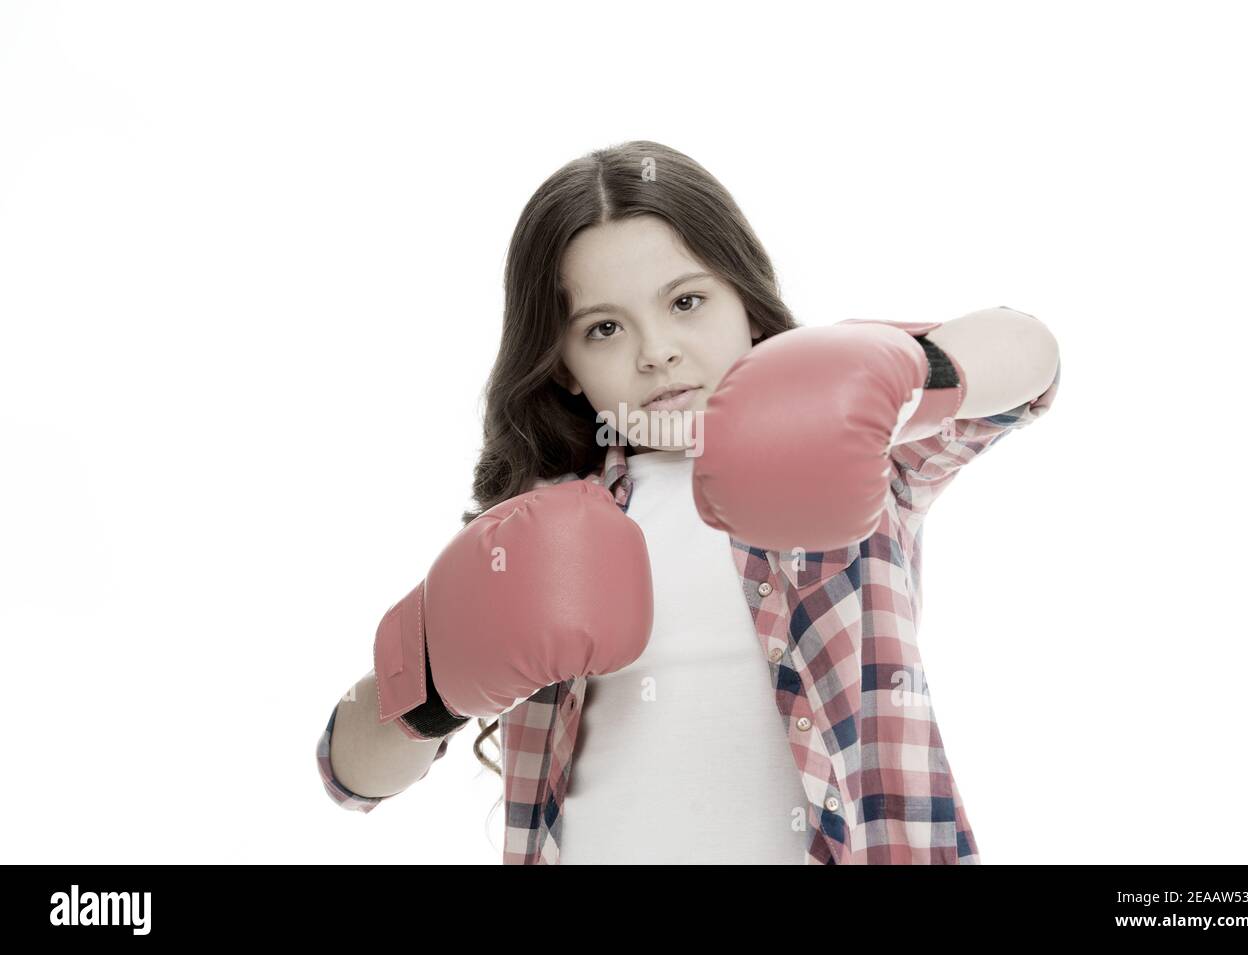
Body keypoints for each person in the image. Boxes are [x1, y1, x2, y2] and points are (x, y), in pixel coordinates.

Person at [316, 139, 1062, 864]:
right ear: (566, 365)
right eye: (604, 327)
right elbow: (345, 773)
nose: (657, 350)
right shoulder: (537, 524)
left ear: (747, 299)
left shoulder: (868, 449)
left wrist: (915, 369)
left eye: (686, 301)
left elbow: (1030, 360)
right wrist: (434, 686)